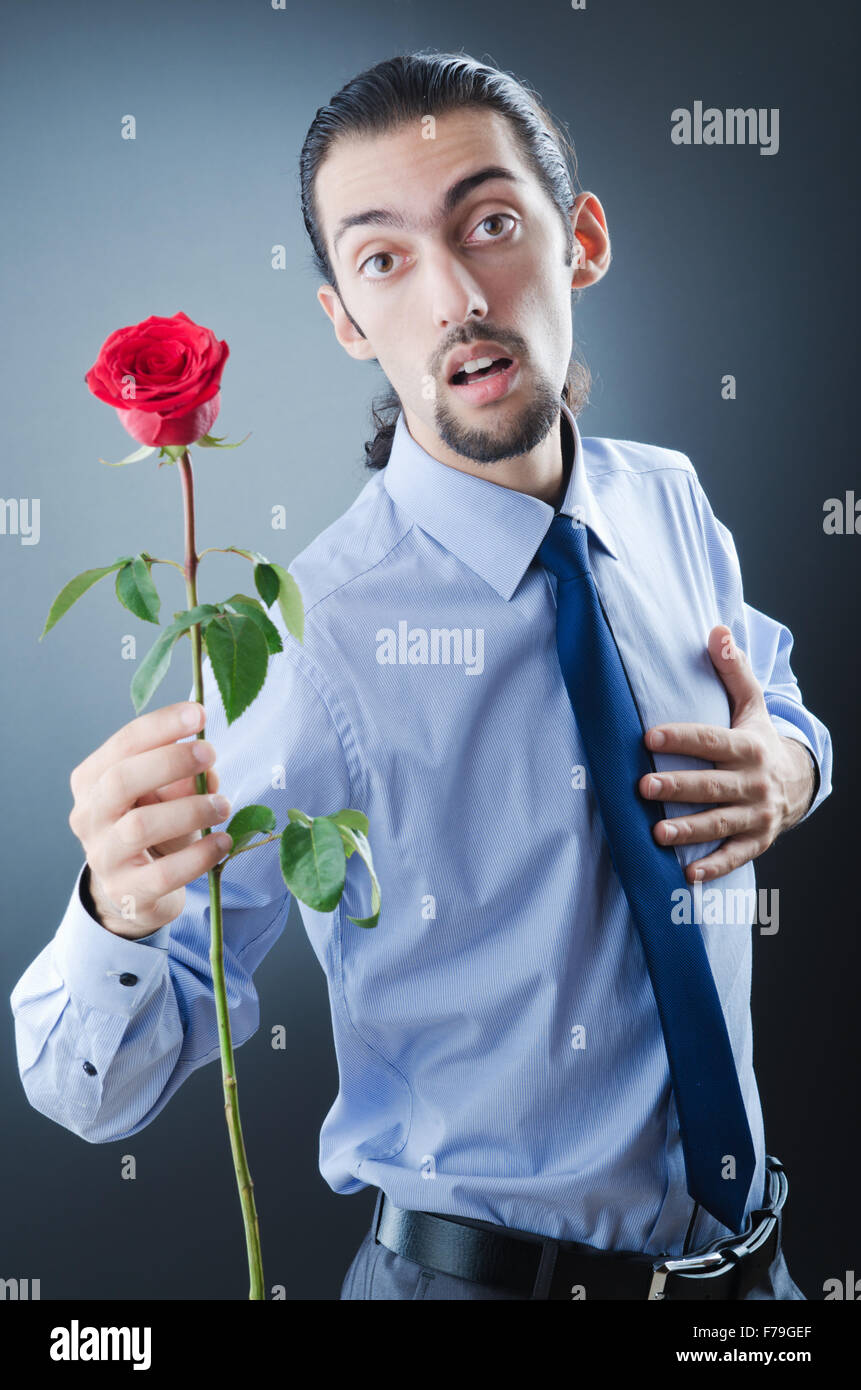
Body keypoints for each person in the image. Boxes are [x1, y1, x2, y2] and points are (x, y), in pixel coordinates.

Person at [11, 52, 832, 1301]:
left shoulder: (669, 502)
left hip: (750, 1289)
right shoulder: (307, 640)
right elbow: (90, 1089)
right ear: (346, 317)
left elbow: (770, 692)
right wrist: (112, 912)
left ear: (582, 242)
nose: (457, 294)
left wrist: (790, 763)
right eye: (386, 258)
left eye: (491, 224)